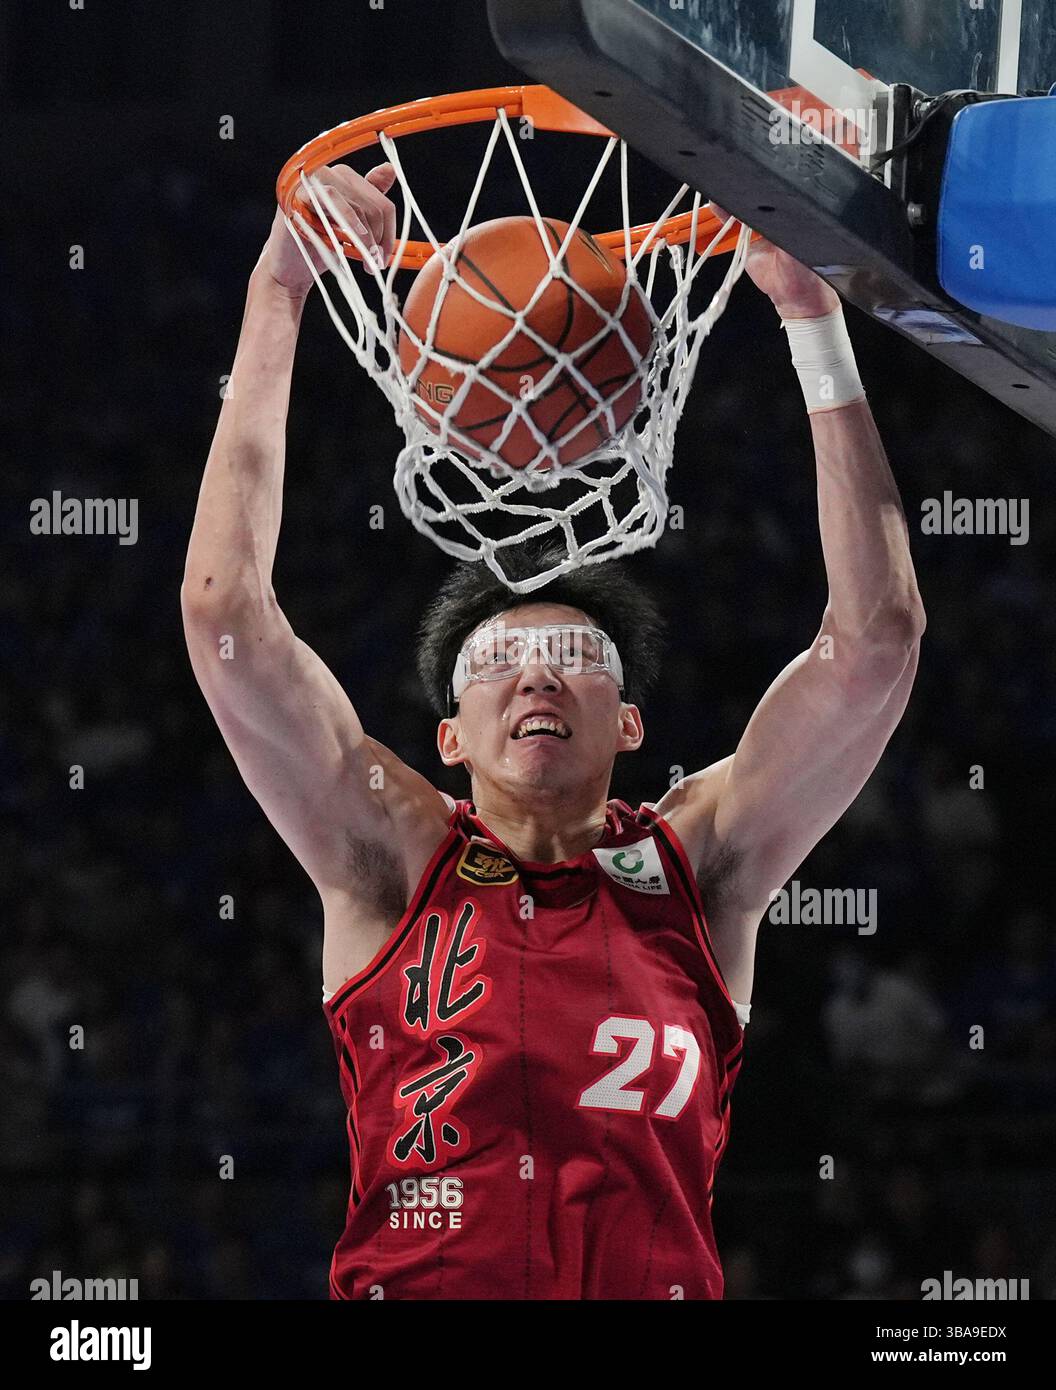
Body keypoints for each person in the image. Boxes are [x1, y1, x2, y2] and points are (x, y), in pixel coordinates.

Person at [180, 164, 925, 1299]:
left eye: (579, 659)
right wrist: (281, 285)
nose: (539, 675)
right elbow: (224, 610)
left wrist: (813, 322)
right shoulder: (389, 858)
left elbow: (875, 639)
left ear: (629, 722)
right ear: (448, 738)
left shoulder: (703, 864)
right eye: (498, 664)